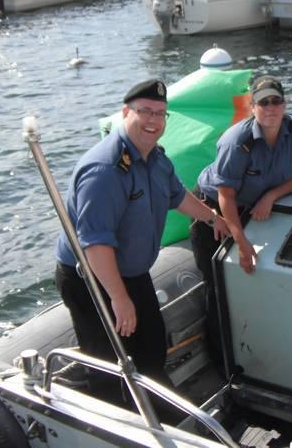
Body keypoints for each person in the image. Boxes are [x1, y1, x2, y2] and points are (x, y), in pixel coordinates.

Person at [54, 78, 230, 406]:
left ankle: (155, 410)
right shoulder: (105, 170)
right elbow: (95, 244)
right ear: (125, 112)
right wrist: (119, 298)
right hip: (94, 279)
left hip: (131, 273)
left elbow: (177, 196)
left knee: (150, 347)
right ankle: (115, 424)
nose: (154, 121)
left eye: (161, 114)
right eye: (145, 112)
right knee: (107, 362)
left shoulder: (154, 158)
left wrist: (213, 219)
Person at [189, 75, 292, 370]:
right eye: (263, 102)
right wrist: (241, 242)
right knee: (218, 286)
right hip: (216, 209)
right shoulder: (236, 142)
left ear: (284, 104)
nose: (271, 108)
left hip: (256, 204)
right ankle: (223, 364)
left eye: (276, 101)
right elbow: (225, 196)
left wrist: (269, 197)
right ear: (252, 107)